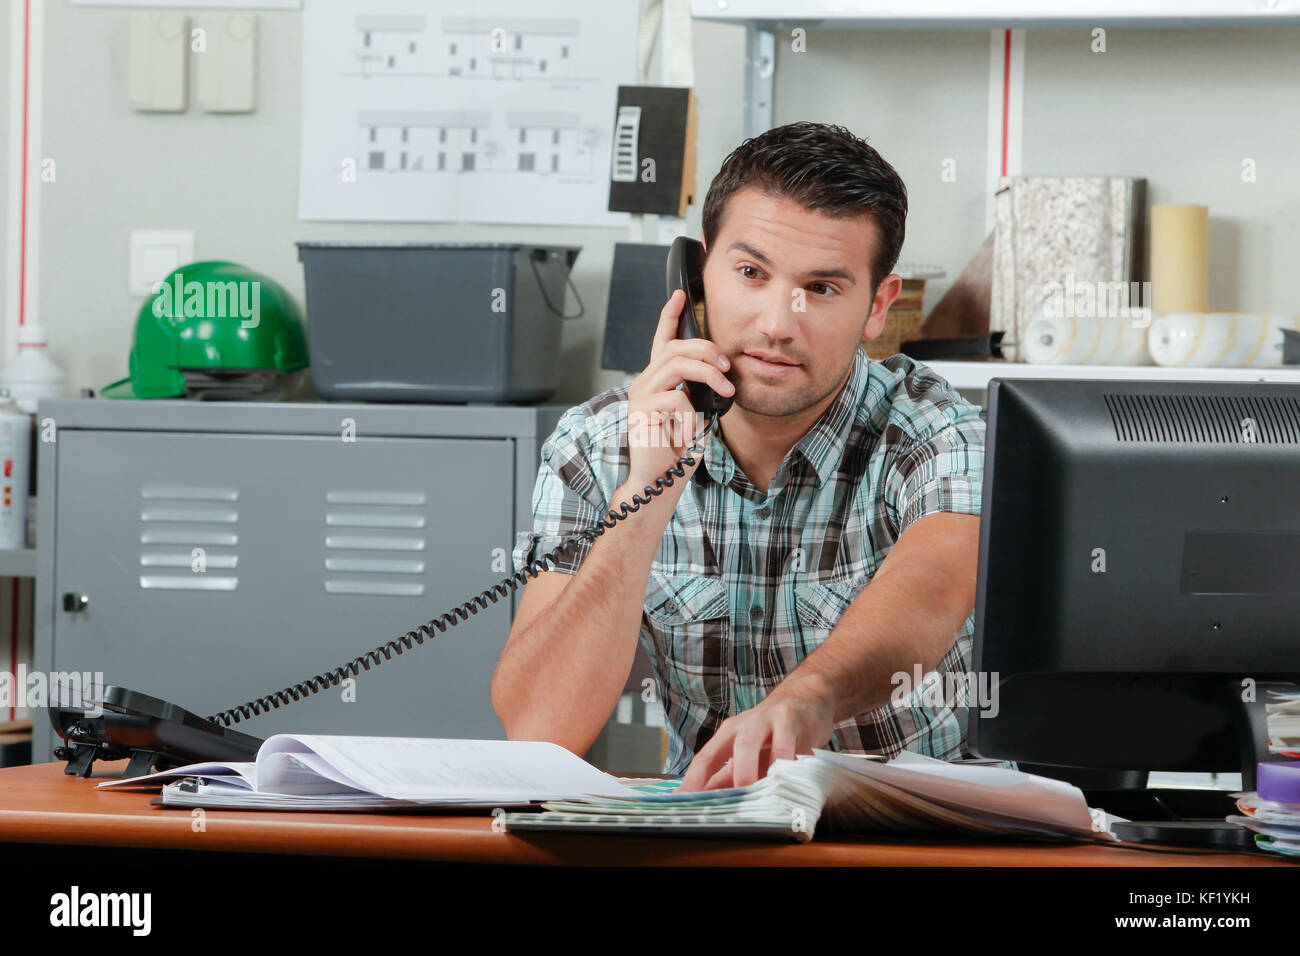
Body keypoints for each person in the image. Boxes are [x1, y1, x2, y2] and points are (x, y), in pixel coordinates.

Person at [492, 121, 985, 792]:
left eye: (823, 288)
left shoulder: (937, 430)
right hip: (707, 833)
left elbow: (934, 586)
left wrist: (810, 696)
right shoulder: (597, 441)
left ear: (878, 306)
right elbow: (540, 728)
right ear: (696, 275)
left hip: (913, 838)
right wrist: (644, 497)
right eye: (751, 273)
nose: (779, 322)